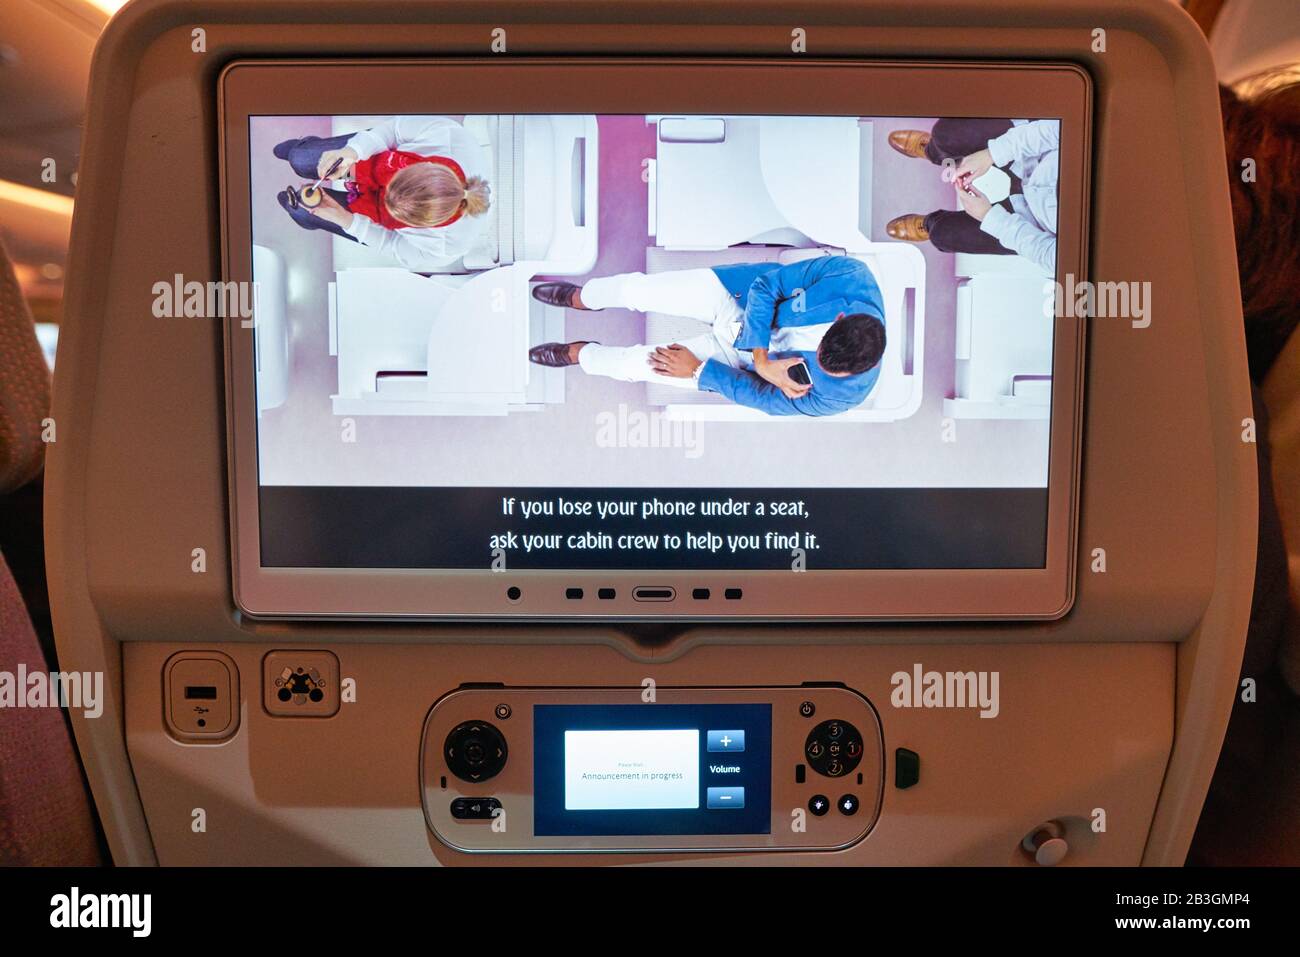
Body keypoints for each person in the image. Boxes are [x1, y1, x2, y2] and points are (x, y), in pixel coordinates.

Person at [527, 255, 886, 417]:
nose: (817, 362)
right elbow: (768, 285)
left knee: (633, 366)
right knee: (637, 290)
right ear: (841, 318)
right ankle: (582, 298)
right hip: (739, 298)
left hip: (733, 363)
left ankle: (577, 354)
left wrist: (698, 372)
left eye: (823, 368)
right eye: (821, 349)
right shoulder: (851, 276)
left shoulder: (842, 398)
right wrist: (763, 360)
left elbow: (764, 401)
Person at [272, 115, 491, 270]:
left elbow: (391, 243)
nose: (385, 194)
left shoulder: (445, 247)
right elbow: (392, 130)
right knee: (301, 160)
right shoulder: (449, 136)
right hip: (372, 166)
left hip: (373, 211)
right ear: (424, 167)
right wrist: (352, 152)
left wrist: (346, 220)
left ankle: (309, 215)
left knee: (303, 212)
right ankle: (304, 150)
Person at [886, 118, 1059, 275]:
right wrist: (991, 154)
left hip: (1032, 223)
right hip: (1032, 155)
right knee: (945, 135)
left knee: (943, 234)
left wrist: (989, 216)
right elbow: (1057, 130)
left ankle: (928, 225)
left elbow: (1048, 255)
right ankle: (935, 150)